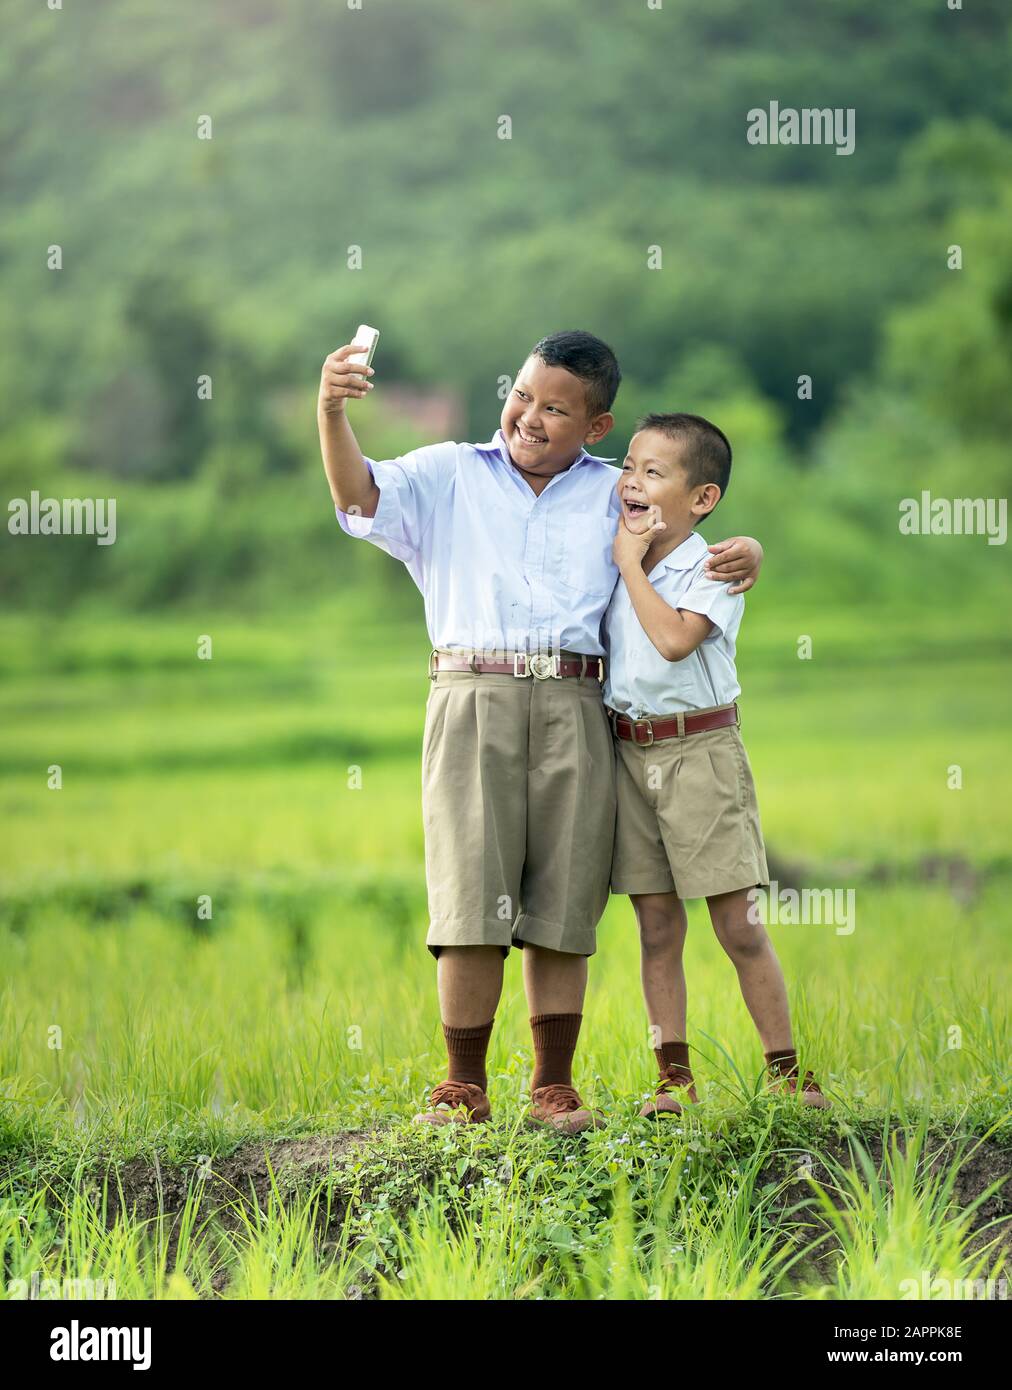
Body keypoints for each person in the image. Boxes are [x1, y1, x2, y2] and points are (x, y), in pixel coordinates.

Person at [317, 333, 764, 1132]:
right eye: (524, 394)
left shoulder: (614, 493)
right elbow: (357, 501)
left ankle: (553, 1088)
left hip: (577, 702)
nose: (530, 416)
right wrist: (331, 410)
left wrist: (750, 551)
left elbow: (688, 536)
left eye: (556, 408)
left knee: (565, 898)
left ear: (596, 427)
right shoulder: (448, 472)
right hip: (472, 693)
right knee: (468, 892)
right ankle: (462, 1083)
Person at [604, 411, 830, 1116]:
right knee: (657, 927)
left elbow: (673, 640)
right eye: (629, 466)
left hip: (699, 752)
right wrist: (623, 558)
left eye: (654, 472)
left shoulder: (712, 567)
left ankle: (788, 1074)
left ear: (702, 498)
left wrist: (628, 568)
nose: (633, 482)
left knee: (737, 924)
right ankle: (674, 1082)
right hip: (627, 753)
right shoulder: (615, 544)